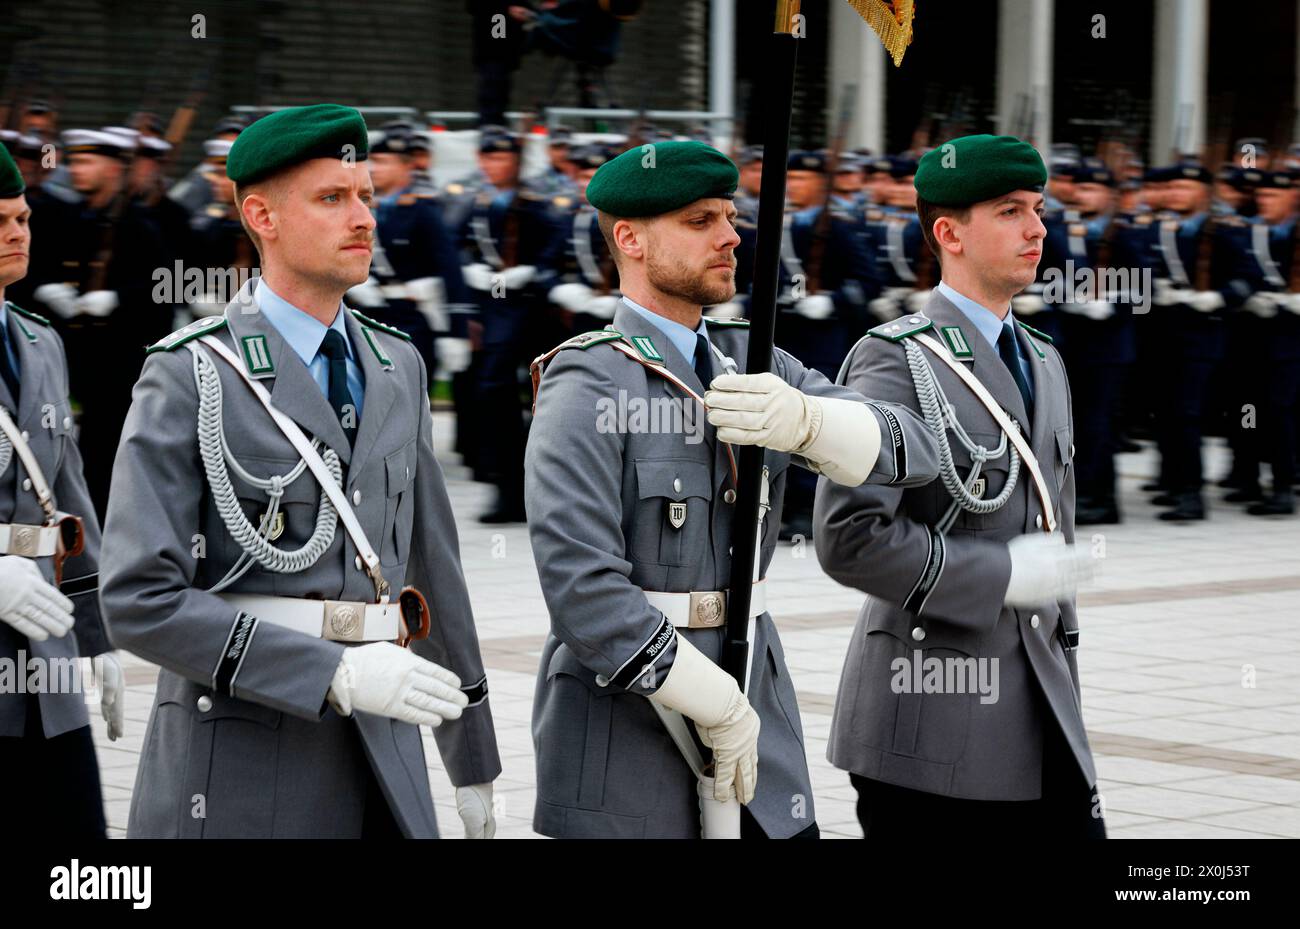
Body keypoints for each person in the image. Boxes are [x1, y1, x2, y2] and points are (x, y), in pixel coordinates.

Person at [98, 104, 501, 838]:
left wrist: (472, 752)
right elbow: (136, 598)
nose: (363, 218)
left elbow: (432, 573)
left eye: (367, 196)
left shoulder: (395, 364)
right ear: (262, 215)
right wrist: (330, 672)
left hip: (387, 758)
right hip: (245, 761)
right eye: (332, 198)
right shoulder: (192, 373)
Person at [525, 140, 940, 839]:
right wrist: (711, 700)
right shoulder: (589, 379)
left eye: (728, 215)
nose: (730, 236)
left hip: (760, 727)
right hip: (629, 726)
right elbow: (579, 584)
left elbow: (917, 450)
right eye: (699, 221)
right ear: (629, 238)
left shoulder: (755, 359)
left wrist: (809, 422)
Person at [814, 134, 1104, 841]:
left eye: (1038, 208)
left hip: (1042, 710)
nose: (1038, 228)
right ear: (949, 232)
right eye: (1010, 211)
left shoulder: (1045, 359)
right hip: (931, 722)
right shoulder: (894, 361)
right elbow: (849, 538)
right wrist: (1002, 572)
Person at [0, 142, 123, 839]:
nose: (17, 233)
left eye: (22, 218)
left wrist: (97, 638)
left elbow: (66, 501)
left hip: (45, 662)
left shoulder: (39, 341)